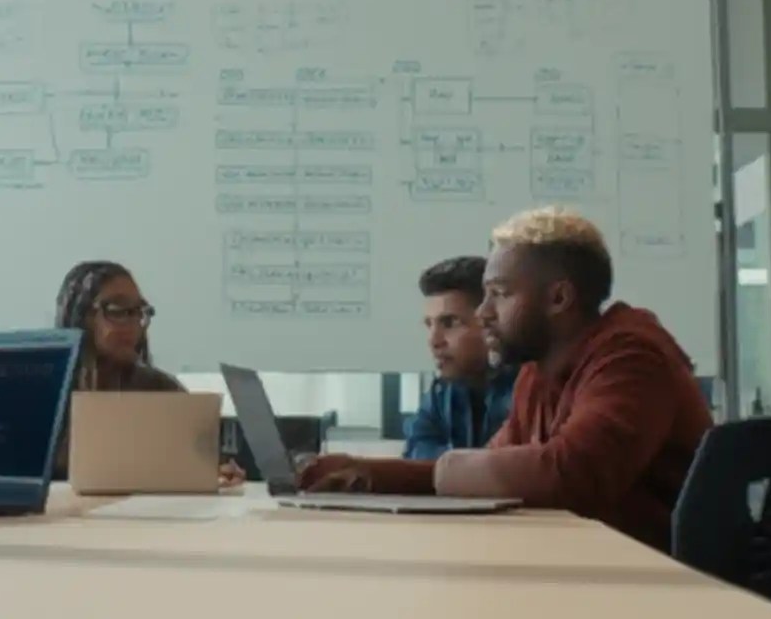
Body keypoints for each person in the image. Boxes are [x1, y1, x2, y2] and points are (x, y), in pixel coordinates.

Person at [299, 207, 712, 550]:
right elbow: (492, 469)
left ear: (558, 298)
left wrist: (427, 470)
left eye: (499, 293)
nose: (483, 313)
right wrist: (365, 474)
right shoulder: (536, 372)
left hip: (651, 587)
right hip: (584, 568)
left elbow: (571, 474)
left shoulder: (630, 357)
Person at [53, 260, 243, 485]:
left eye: (138, 312)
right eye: (117, 311)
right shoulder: (46, 392)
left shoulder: (162, 392)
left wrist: (222, 473)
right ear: (80, 316)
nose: (134, 324)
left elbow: (210, 468)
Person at [405, 256, 516, 460]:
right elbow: (415, 452)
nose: (434, 341)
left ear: (491, 320)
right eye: (429, 325)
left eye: (449, 323)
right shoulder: (443, 390)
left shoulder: (530, 387)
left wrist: (452, 464)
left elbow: (513, 466)